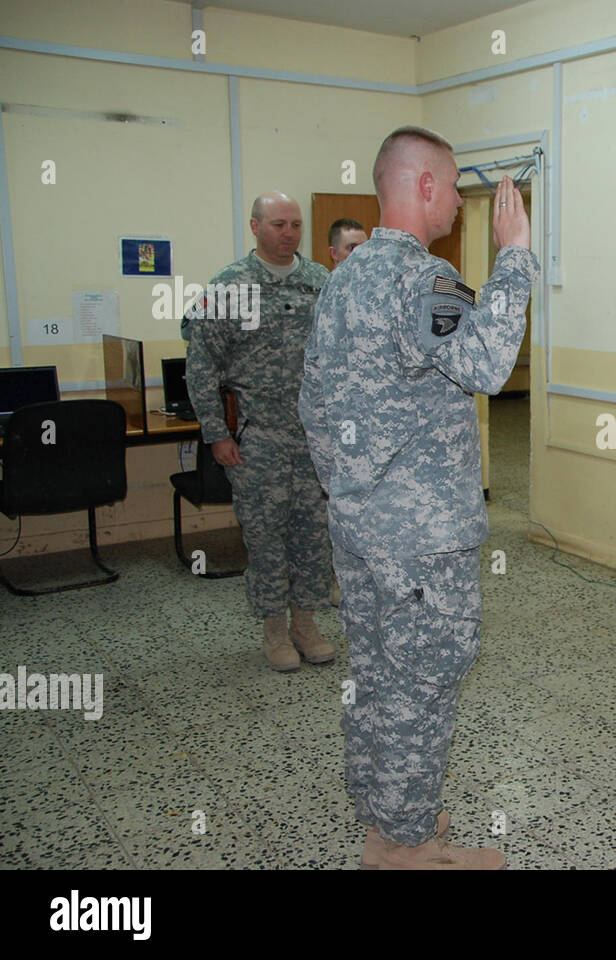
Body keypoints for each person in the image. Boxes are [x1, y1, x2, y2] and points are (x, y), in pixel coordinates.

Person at [299, 126, 537, 870]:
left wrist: (351, 490)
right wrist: (516, 257)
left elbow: (310, 403)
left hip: (361, 529)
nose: (461, 205)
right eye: (454, 184)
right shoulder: (419, 277)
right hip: (420, 540)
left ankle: (383, 815)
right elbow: (492, 362)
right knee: (423, 682)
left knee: (377, 674)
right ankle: (404, 846)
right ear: (427, 186)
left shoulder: (342, 277)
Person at [186, 192, 336, 672]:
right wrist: (216, 433)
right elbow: (201, 363)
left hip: (313, 438)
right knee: (266, 536)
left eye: (295, 224)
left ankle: (306, 624)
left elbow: (342, 358)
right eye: (277, 224)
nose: (288, 233)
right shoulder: (229, 286)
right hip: (257, 436)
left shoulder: (321, 282)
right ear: (255, 226)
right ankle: (274, 629)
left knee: (314, 536)